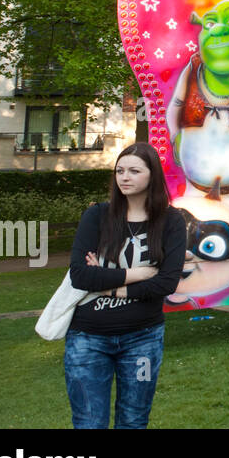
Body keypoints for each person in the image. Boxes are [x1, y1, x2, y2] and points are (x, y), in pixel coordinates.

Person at [65, 142, 185, 429]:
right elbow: (80, 276)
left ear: (152, 176)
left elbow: (166, 283)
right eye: (120, 171)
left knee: (133, 421)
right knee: (89, 423)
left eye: (134, 171)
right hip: (87, 339)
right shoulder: (96, 217)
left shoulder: (171, 221)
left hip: (142, 339)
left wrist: (107, 286)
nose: (124, 177)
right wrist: (138, 274)